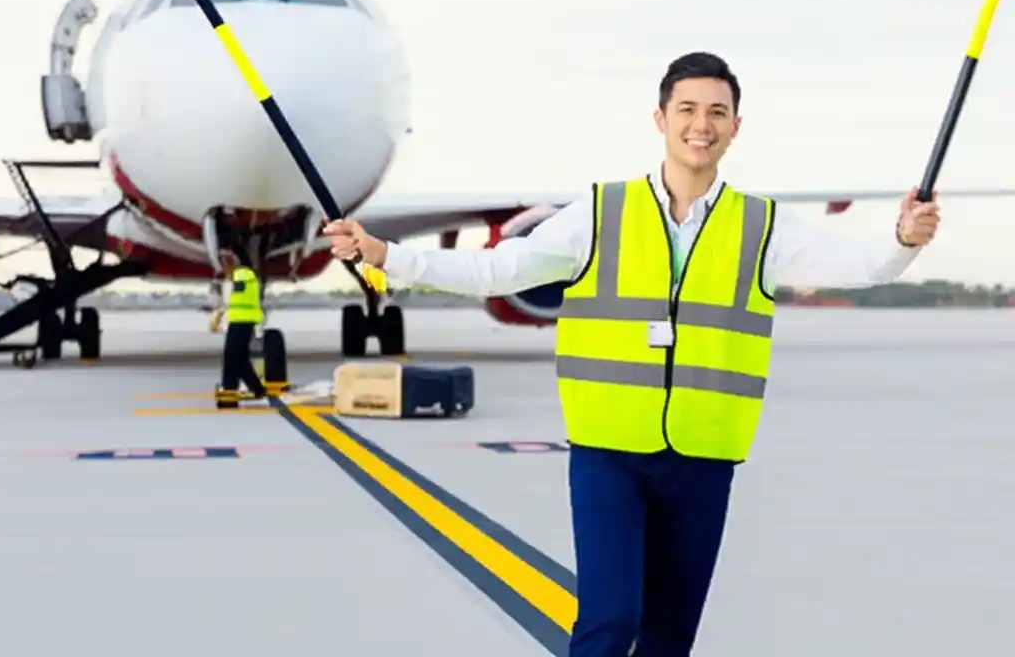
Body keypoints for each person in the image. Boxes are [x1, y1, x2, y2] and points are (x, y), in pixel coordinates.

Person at [322, 51, 940, 656]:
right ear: (661, 119)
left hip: (704, 457)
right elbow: (497, 268)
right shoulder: (599, 211)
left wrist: (902, 239)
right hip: (609, 455)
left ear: (735, 127)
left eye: (717, 112)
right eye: (688, 109)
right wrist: (386, 255)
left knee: (671, 639)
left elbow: (862, 265)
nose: (702, 124)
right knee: (609, 623)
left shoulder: (763, 226)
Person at [218, 250, 267, 406]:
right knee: (237, 358)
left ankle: (231, 391)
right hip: (240, 321)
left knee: (233, 357)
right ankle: (253, 388)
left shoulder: (243, 274)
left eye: (225, 264)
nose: (223, 269)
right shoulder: (243, 274)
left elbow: (235, 290)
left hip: (242, 322)